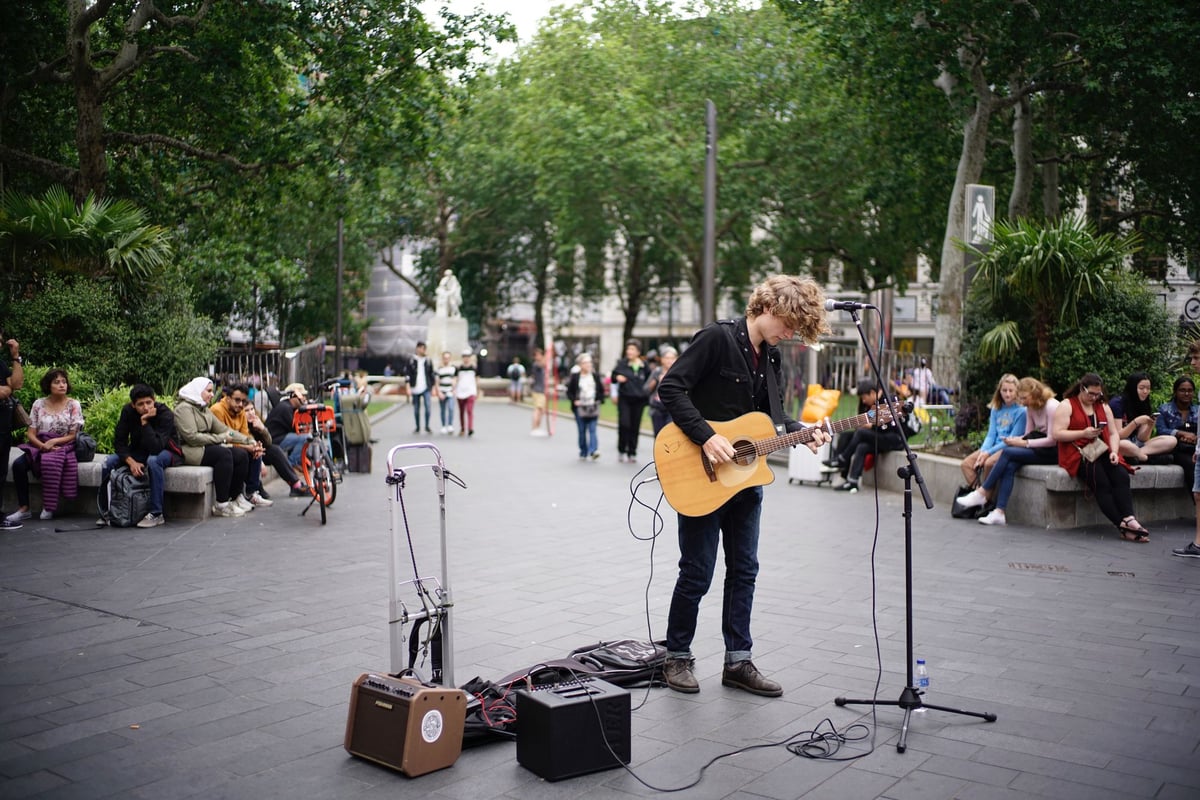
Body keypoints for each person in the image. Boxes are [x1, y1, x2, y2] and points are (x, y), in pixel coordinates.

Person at [657, 274, 831, 698]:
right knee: (697, 571)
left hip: (747, 480)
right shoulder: (716, 339)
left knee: (745, 571)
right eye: (788, 325)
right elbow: (670, 387)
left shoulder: (770, 356)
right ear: (768, 308)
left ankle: (738, 661)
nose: (789, 335)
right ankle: (676, 656)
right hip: (700, 472)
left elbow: (770, 420)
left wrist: (803, 431)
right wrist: (706, 435)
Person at [1052, 372, 1148, 541]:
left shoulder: (1103, 406)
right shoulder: (1067, 405)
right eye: (1091, 394)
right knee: (1101, 481)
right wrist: (1083, 433)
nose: (1094, 397)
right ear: (1082, 389)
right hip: (1077, 453)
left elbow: (1113, 433)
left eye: (1098, 394)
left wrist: (1114, 451)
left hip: (1100, 449)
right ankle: (1122, 525)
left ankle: (1129, 518)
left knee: (1120, 474)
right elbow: (1057, 434)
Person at [956, 377, 1060, 526]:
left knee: (1008, 453)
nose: (1022, 401)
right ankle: (999, 512)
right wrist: (1015, 441)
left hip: (1053, 451)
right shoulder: (1030, 407)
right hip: (1037, 447)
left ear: (1034, 393)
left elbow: (1052, 440)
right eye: (1021, 398)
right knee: (1010, 466)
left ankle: (983, 493)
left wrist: (1023, 443)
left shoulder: (1051, 406)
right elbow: (1027, 434)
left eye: (1024, 397)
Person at [99, 384, 183, 528]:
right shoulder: (127, 412)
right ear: (133, 405)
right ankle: (106, 511)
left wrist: (145, 422)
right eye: (140, 404)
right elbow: (119, 442)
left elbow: (156, 447)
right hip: (138, 452)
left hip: (168, 451)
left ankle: (157, 513)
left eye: (148, 402)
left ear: (154, 400)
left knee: (153, 460)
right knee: (109, 462)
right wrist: (131, 462)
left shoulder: (165, 414)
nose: (145, 407)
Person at [5, 368, 83, 523]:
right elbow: (31, 433)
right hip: (40, 444)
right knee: (19, 465)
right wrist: (42, 446)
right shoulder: (39, 404)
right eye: (57, 382)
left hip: (63, 445)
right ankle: (24, 508)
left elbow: (73, 434)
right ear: (49, 385)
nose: (62, 385)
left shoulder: (73, 404)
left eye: (64, 382)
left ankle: (49, 506)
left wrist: (53, 442)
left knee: (52, 462)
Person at [174, 377, 257, 518]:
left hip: (205, 446)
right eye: (209, 391)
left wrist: (248, 441)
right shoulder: (183, 409)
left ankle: (235, 497)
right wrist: (221, 438)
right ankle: (221, 504)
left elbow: (223, 429)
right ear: (198, 390)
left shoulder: (203, 409)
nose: (212, 395)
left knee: (240, 455)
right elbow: (192, 438)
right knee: (223, 454)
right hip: (189, 450)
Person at [211, 383, 282, 508]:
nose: (240, 404)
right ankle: (236, 496)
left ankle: (251, 493)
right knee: (243, 454)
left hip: (235, 446)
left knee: (256, 451)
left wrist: (255, 444)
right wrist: (248, 446)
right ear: (227, 398)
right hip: (220, 446)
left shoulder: (241, 412)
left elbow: (245, 436)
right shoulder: (217, 410)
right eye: (237, 400)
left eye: (243, 401)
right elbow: (223, 438)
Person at [833, 378, 905, 493]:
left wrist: (871, 426)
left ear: (872, 393)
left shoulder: (888, 400)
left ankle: (842, 459)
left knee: (861, 433)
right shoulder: (870, 404)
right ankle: (852, 481)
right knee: (859, 444)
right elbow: (866, 418)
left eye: (864, 398)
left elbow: (890, 427)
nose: (863, 401)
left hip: (893, 439)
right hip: (878, 436)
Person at [959, 374, 1026, 487]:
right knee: (966, 464)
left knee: (988, 464)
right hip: (992, 446)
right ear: (999, 391)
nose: (1007, 394)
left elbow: (1011, 440)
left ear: (1017, 392)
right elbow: (991, 435)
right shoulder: (996, 408)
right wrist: (984, 451)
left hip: (1007, 447)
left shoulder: (1022, 411)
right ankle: (978, 493)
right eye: (1004, 390)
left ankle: (986, 497)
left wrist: (988, 454)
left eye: (1011, 390)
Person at [1109, 372, 1176, 464]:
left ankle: (1136, 455)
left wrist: (1150, 425)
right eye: (1141, 388)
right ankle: (1146, 458)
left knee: (1171, 440)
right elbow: (1118, 435)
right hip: (1121, 442)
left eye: (1148, 388)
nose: (1145, 391)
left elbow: (1142, 438)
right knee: (1124, 445)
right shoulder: (1117, 403)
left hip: (1137, 444)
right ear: (1133, 387)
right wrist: (1136, 422)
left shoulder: (1144, 404)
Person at [611, 339, 651, 463]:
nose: (629, 351)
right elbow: (613, 377)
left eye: (632, 349)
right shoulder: (622, 364)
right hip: (625, 399)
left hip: (639, 401)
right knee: (624, 424)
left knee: (635, 426)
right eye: (628, 349)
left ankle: (632, 452)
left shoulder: (644, 366)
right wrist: (617, 377)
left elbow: (650, 381)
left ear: (638, 352)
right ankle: (622, 449)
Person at [1156, 375, 1199, 489]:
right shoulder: (1164, 409)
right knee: (1191, 465)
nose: (1186, 394)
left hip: (1194, 447)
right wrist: (1180, 433)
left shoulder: (1197, 411)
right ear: (1175, 392)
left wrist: (1195, 437)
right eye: (1182, 390)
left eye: (1190, 391)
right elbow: (1161, 431)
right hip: (1176, 449)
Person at [0, 336, 24, 528]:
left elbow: (15, 384)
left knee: (0, 470)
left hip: (3, 427)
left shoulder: (0, 363)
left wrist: (15, 357)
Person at [565, 352, 604, 460]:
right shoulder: (575, 377)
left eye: (589, 363)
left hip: (593, 406)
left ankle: (593, 450)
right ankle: (583, 451)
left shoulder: (595, 376)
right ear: (580, 364)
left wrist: (599, 400)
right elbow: (569, 392)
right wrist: (574, 401)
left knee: (592, 429)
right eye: (586, 363)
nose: (588, 365)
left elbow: (601, 390)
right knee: (582, 430)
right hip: (580, 408)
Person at [265, 383, 311, 469]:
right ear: (294, 396)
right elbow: (295, 428)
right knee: (306, 437)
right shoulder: (285, 408)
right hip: (274, 441)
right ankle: (291, 464)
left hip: (279, 438)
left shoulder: (288, 406)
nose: (305, 399)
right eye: (303, 396)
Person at [644, 345, 678, 435]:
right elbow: (646, 390)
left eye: (672, 358)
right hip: (657, 408)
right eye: (667, 358)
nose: (669, 361)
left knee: (669, 435)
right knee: (658, 435)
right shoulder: (656, 371)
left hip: (673, 408)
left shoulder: (678, 372)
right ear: (662, 359)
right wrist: (656, 380)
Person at [405, 342, 437, 435]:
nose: (424, 351)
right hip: (415, 387)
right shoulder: (411, 360)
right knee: (416, 409)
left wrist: (433, 387)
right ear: (418, 349)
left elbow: (432, 374)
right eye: (422, 348)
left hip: (426, 387)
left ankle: (427, 425)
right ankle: (417, 426)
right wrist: (408, 387)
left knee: (428, 407)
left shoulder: (428, 360)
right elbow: (407, 374)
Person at [454, 348, 478, 437]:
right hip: (460, 391)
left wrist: (477, 391)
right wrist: (454, 389)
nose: (466, 358)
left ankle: (470, 428)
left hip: (471, 391)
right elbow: (456, 380)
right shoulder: (459, 368)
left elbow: (477, 380)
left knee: (469, 410)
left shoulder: (474, 368)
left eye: (468, 357)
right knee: (461, 411)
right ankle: (463, 428)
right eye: (464, 357)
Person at [435, 351, 457, 434]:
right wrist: (439, 392)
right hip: (442, 390)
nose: (446, 359)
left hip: (450, 391)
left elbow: (455, 380)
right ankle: (443, 425)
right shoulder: (439, 369)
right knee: (443, 409)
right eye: (445, 358)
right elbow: (437, 382)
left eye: (448, 358)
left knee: (451, 408)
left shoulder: (453, 368)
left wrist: (453, 389)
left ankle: (450, 425)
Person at [529, 347, 548, 435]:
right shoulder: (536, 364)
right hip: (538, 390)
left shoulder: (539, 364)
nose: (541, 356)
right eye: (540, 355)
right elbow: (543, 364)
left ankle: (537, 427)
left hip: (541, 389)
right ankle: (535, 427)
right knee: (538, 409)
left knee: (541, 410)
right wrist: (548, 354)